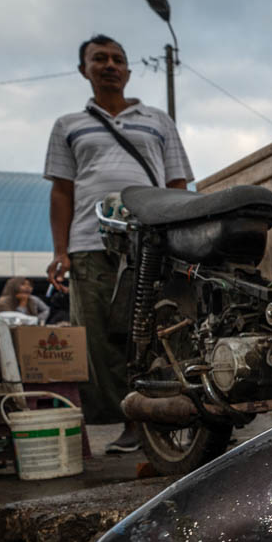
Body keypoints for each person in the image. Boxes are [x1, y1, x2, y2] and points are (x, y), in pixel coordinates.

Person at [44, 35, 193, 454]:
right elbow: (61, 192)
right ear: (84, 69)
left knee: (150, 331)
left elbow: (177, 184)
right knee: (98, 337)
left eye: (117, 59)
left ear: (128, 70)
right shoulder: (69, 125)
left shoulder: (158, 121)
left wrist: (180, 240)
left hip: (150, 241)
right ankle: (127, 419)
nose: (110, 65)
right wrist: (60, 250)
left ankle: (155, 417)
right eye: (99, 59)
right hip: (89, 244)